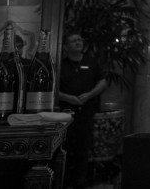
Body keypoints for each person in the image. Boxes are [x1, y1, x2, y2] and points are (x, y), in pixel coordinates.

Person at [59, 32, 107, 189]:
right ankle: (64, 182)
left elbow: (102, 82)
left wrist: (89, 95)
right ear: (66, 47)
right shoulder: (61, 65)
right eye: (73, 41)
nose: (78, 42)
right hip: (65, 114)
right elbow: (52, 89)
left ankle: (81, 183)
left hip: (86, 112)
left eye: (80, 39)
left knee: (83, 148)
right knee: (65, 148)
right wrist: (68, 98)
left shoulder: (91, 62)